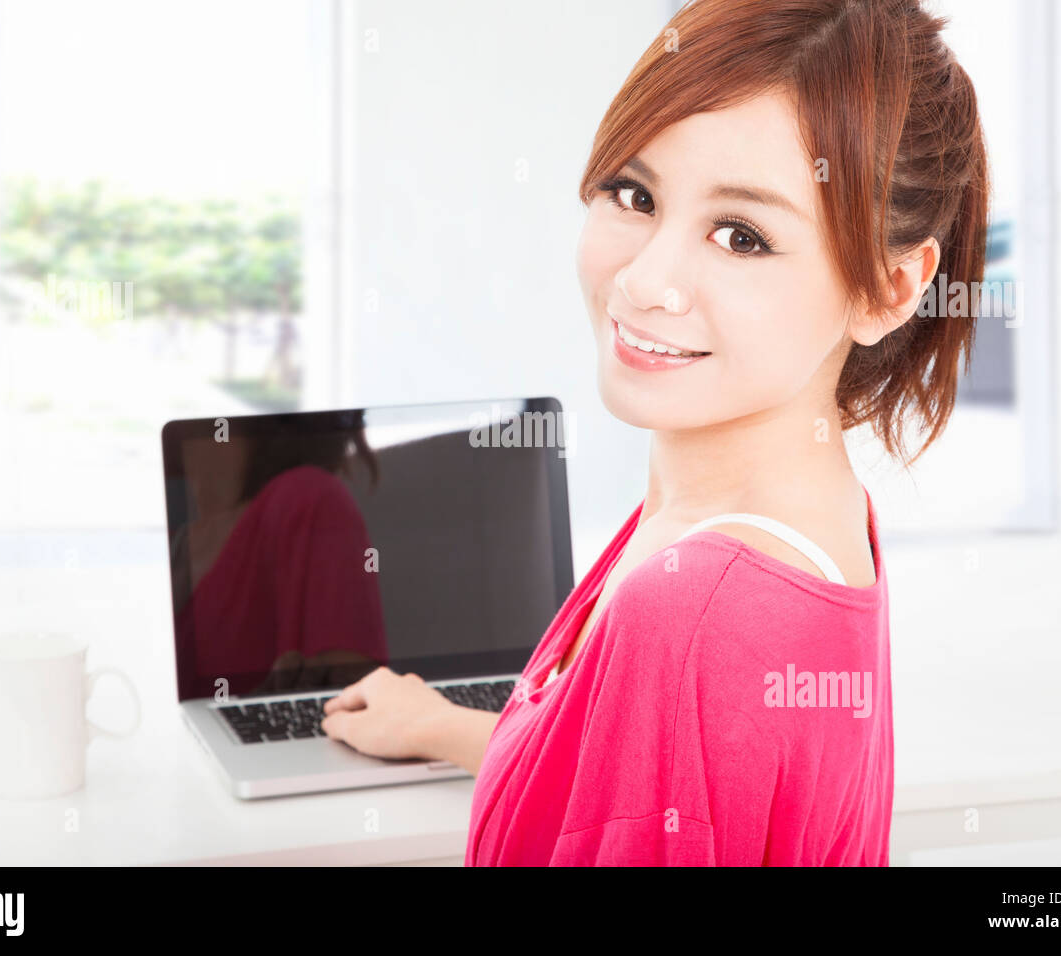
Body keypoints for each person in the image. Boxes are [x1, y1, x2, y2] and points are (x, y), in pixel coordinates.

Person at [321, 0, 989, 865]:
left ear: (890, 290)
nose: (644, 281)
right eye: (634, 194)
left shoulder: (694, 614)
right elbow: (639, 790)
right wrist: (449, 728)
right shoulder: (787, 515)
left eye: (741, 235)